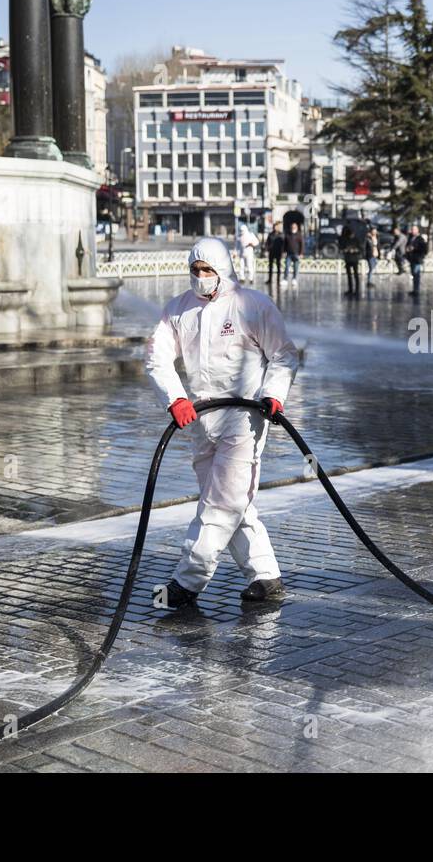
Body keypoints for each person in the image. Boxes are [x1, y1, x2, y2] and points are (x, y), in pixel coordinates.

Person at [146, 237, 300, 609]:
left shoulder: (252, 305)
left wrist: (273, 394)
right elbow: (156, 359)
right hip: (201, 419)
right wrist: (176, 397)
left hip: (244, 418)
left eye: (207, 271)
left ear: (223, 271)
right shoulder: (177, 310)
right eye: (195, 271)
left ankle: (186, 582)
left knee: (220, 503)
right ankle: (265, 575)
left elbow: (283, 355)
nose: (200, 277)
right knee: (233, 503)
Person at [234, 215, 260, 285]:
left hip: (249, 253)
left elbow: (256, 242)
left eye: (243, 230)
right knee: (241, 266)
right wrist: (235, 252)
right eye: (241, 231)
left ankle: (251, 278)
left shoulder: (251, 235)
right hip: (242, 253)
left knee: (249, 266)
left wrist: (252, 244)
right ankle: (242, 278)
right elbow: (237, 246)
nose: (242, 232)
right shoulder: (239, 237)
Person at [339, 223, 361, 297]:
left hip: (353, 259)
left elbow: (360, 249)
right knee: (350, 275)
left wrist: (354, 250)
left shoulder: (356, 240)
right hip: (349, 259)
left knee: (355, 275)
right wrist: (347, 250)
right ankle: (351, 289)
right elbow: (342, 249)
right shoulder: (346, 240)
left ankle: (356, 290)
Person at [406, 224, 429, 297]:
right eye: (412, 229)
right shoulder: (410, 238)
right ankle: (414, 289)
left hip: (417, 259)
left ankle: (417, 290)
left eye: (414, 229)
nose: (412, 231)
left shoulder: (420, 239)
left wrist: (415, 249)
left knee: (416, 275)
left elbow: (424, 249)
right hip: (412, 259)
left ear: (417, 230)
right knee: (413, 274)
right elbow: (408, 246)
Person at [283, 219, 303, 289]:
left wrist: (301, 253)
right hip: (289, 253)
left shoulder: (299, 235)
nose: (293, 228)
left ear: (296, 227)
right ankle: (285, 279)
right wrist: (284, 251)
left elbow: (302, 245)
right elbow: (284, 244)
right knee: (286, 267)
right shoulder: (288, 234)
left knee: (295, 267)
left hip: (296, 253)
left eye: (294, 227)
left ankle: (294, 279)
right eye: (292, 226)